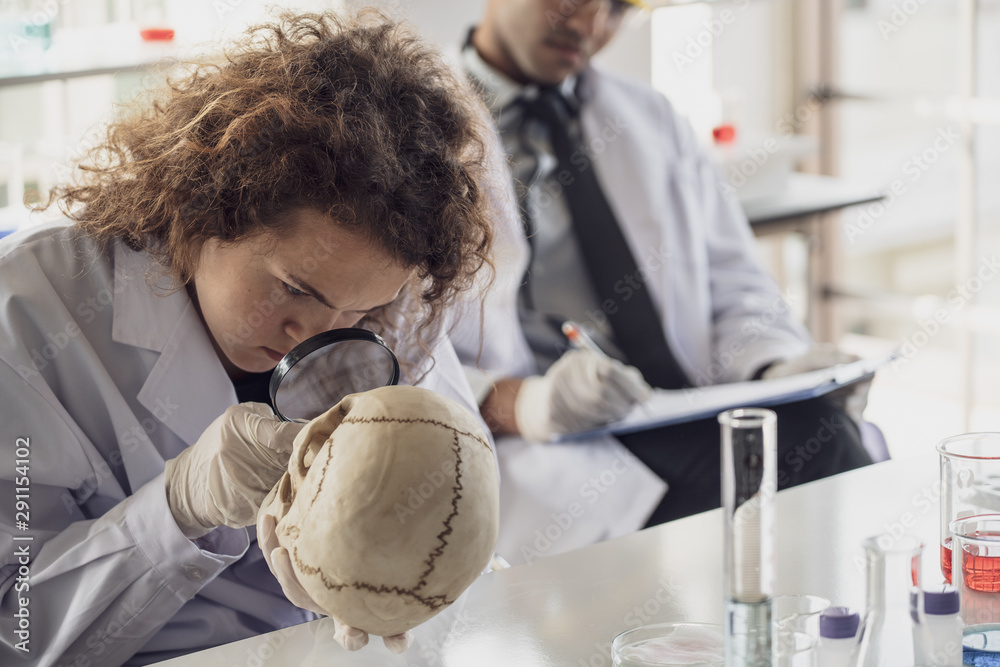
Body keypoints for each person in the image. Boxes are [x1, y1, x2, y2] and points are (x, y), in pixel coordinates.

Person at [0, 11, 503, 665]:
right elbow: (17, 632)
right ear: (200, 207)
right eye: (294, 288)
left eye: (362, 309)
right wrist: (179, 506)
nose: (316, 336)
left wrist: (410, 576)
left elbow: (459, 505)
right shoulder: (31, 314)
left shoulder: (380, 310)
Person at [449, 0, 874, 562]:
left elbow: (733, 282)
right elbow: (393, 355)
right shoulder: (413, 134)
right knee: (812, 461)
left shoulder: (651, 118)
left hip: (676, 407)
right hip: (540, 450)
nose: (590, 26)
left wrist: (776, 366)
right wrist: (524, 405)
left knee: (820, 432)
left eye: (619, 9)